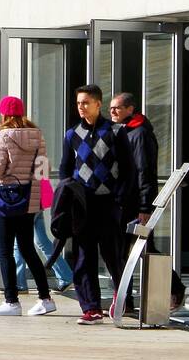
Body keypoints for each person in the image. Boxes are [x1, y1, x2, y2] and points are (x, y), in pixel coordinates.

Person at [58, 84, 135, 325]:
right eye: (78, 103)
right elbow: (65, 169)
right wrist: (67, 194)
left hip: (108, 203)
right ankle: (90, 308)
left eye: (86, 103)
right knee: (83, 257)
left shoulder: (115, 131)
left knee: (113, 255)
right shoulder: (71, 134)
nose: (81, 107)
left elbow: (129, 169)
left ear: (98, 104)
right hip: (82, 206)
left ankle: (120, 297)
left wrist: (120, 198)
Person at [110, 92, 186, 311]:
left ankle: (173, 289)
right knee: (134, 250)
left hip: (135, 204)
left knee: (140, 250)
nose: (113, 112)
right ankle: (127, 300)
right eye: (111, 108)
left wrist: (145, 206)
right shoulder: (125, 131)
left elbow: (146, 172)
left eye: (117, 108)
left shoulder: (140, 134)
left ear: (130, 109)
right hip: (124, 201)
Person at [0, 97, 55, 316]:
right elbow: (43, 169)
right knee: (28, 249)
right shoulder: (37, 136)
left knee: (4, 251)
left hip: (6, 199)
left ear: (3, 114)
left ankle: (11, 301)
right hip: (29, 201)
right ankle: (45, 298)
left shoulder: (2, 136)